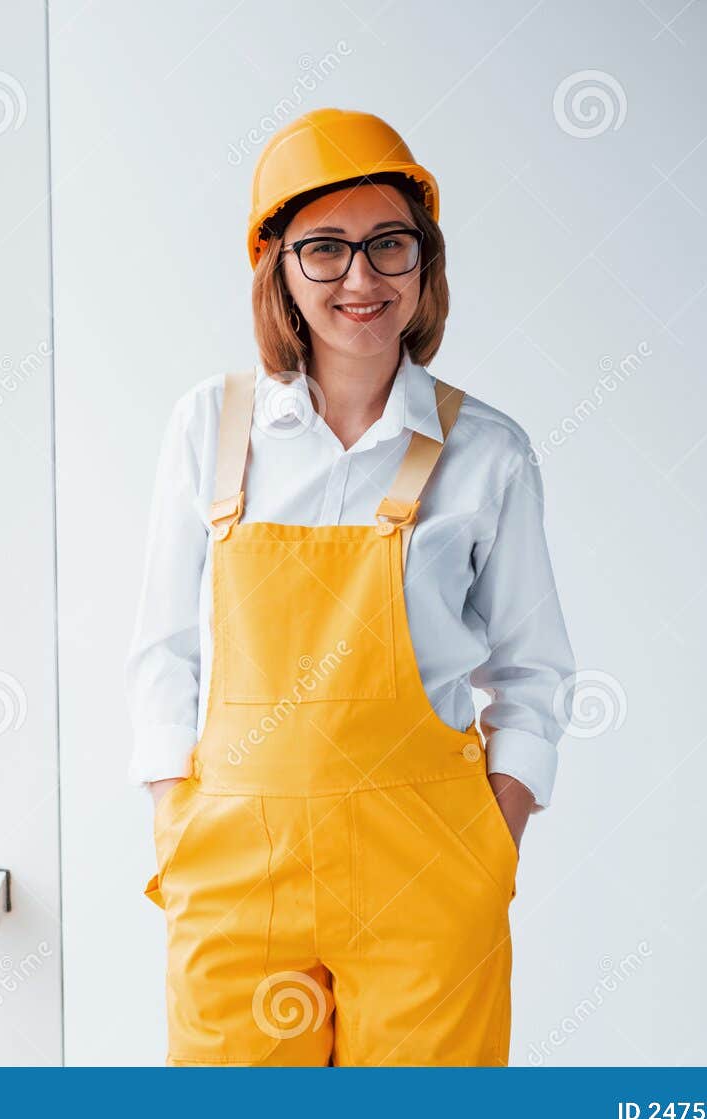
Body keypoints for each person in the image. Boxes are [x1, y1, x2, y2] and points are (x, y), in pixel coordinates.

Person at [125, 108, 576, 1066]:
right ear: (278, 266)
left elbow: (533, 675)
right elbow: (163, 651)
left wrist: (489, 849)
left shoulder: (486, 452)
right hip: (235, 873)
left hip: (425, 877)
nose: (361, 278)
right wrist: (177, 823)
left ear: (426, 263)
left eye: (388, 245)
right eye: (324, 248)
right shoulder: (209, 426)